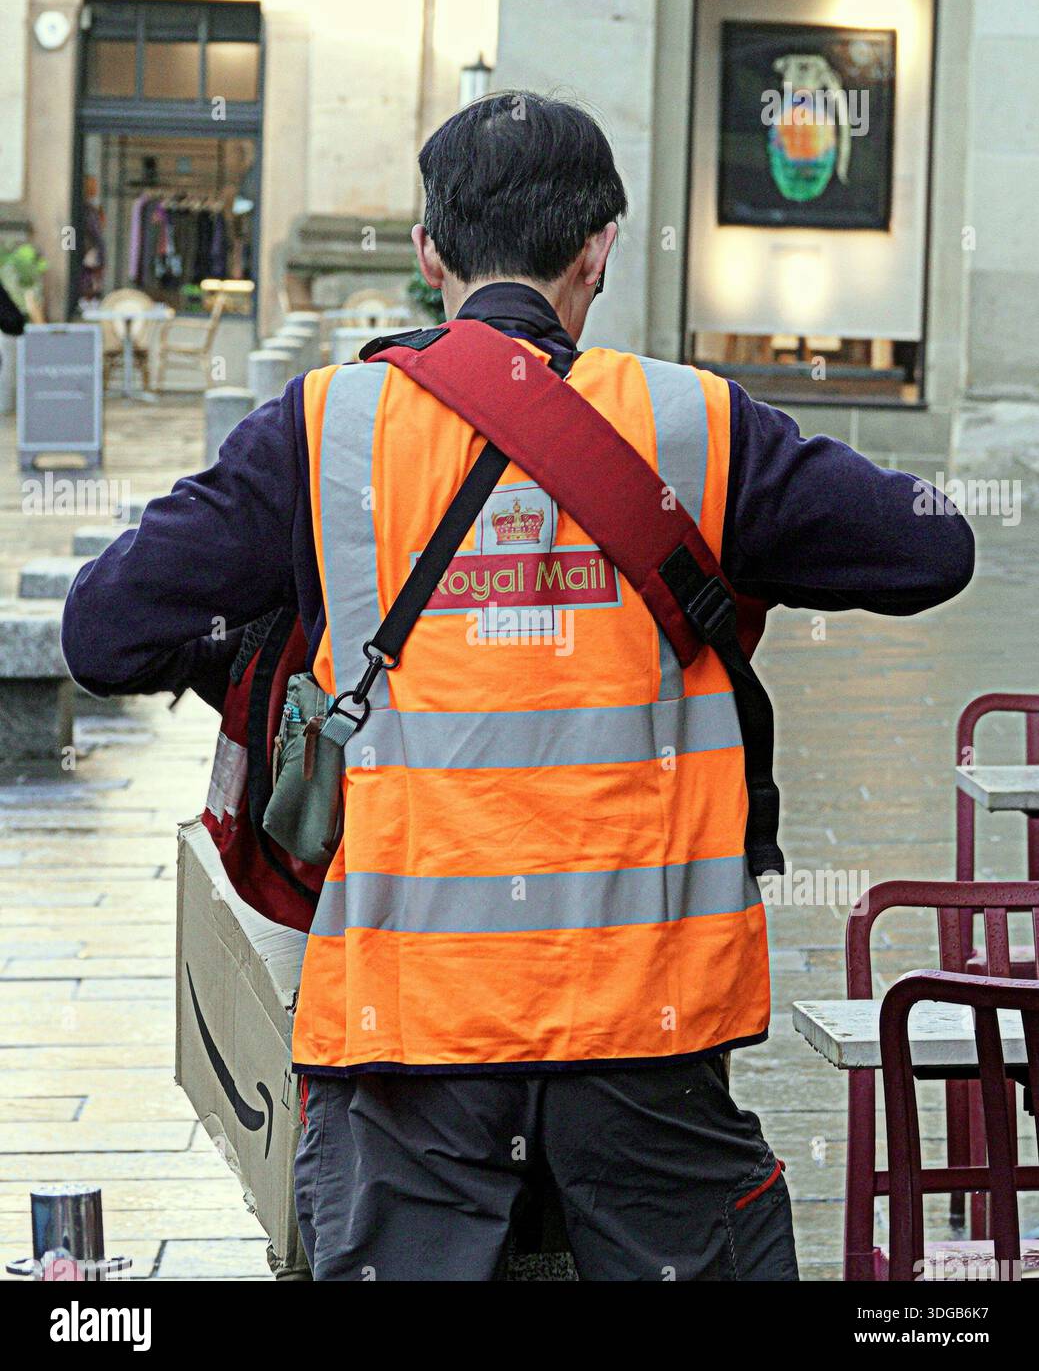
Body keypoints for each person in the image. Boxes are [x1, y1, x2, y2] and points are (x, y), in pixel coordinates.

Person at [61, 92, 974, 1281]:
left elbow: (104, 631)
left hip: (406, 1040)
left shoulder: (326, 431)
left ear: (429, 250)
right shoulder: (693, 429)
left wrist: (282, 631)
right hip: (645, 1035)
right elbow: (932, 548)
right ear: (599, 246)